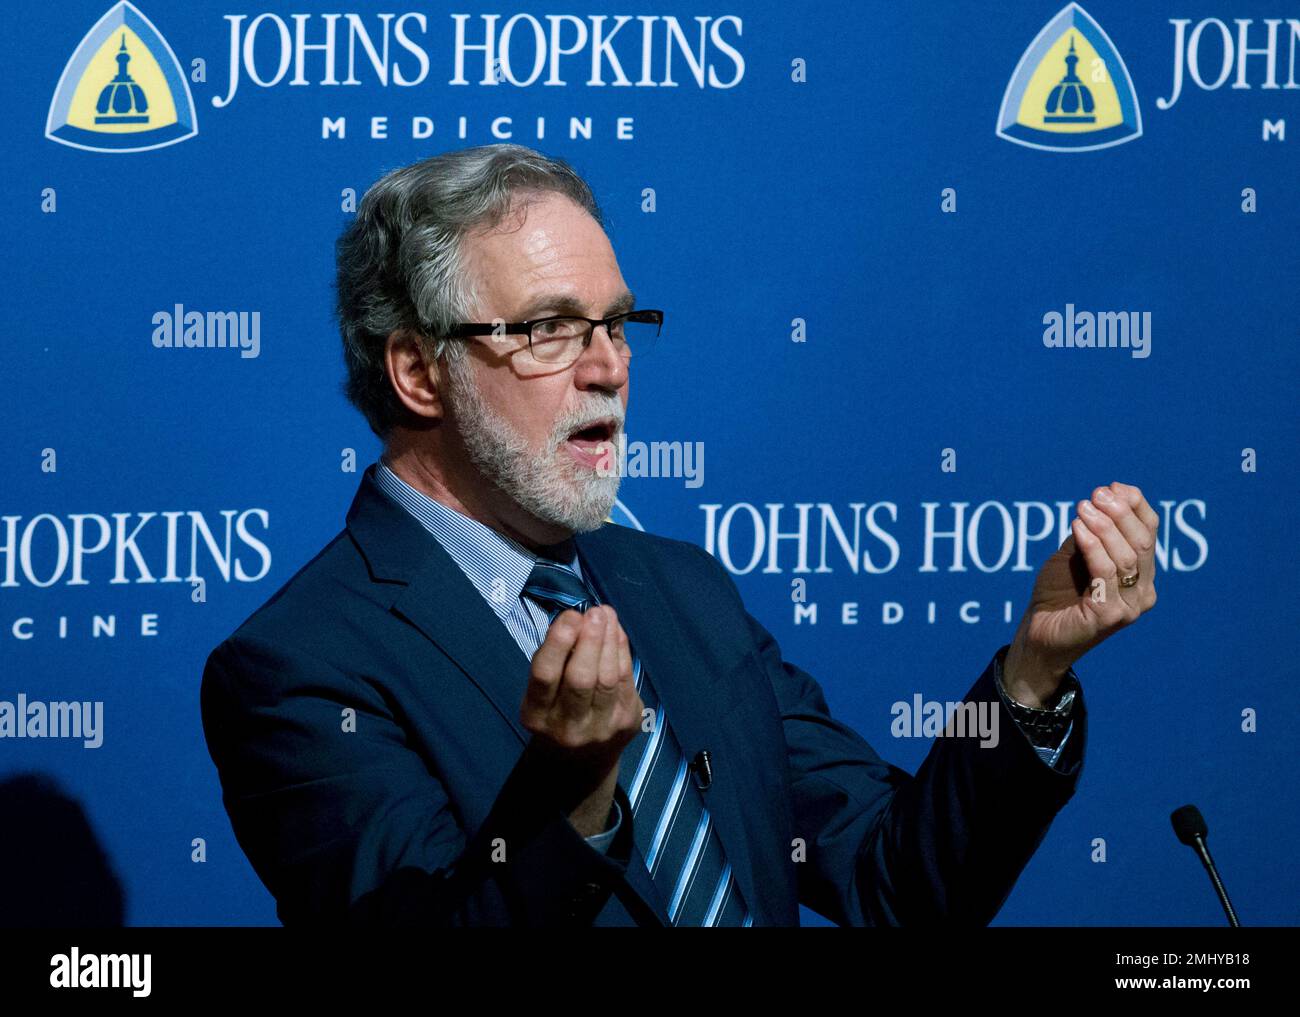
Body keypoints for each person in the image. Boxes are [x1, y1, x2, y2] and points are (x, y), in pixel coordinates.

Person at [199, 143, 1159, 926]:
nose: (609, 367)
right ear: (418, 370)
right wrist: (573, 796)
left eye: (618, 324)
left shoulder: (679, 587)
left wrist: (1030, 681)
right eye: (549, 329)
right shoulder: (298, 667)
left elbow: (894, 880)